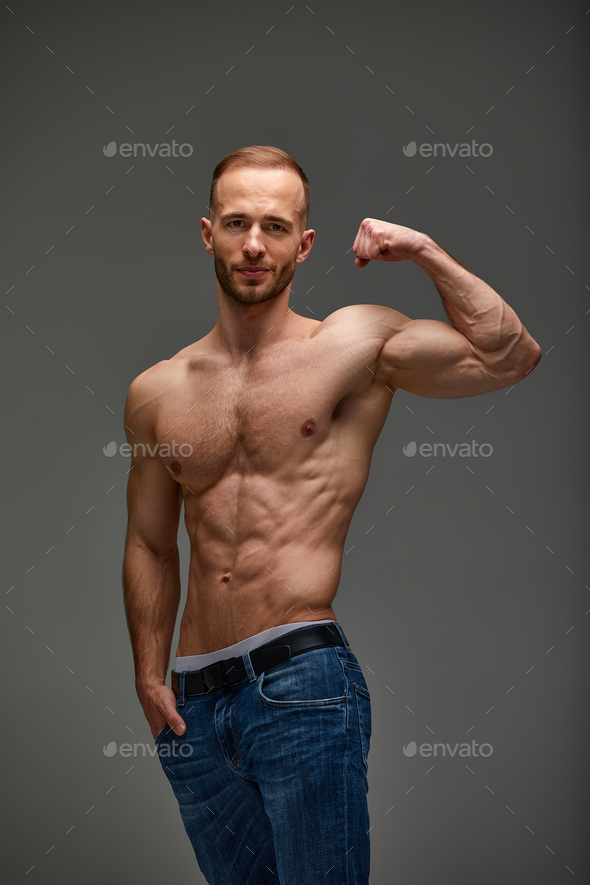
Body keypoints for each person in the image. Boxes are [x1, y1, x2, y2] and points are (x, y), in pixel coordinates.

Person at [122, 145, 541, 884]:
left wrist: (424, 251)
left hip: (300, 686)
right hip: (192, 707)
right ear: (208, 233)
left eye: (276, 227)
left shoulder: (353, 345)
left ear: (305, 244)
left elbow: (510, 354)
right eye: (238, 223)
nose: (255, 244)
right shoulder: (157, 390)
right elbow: (150, 543)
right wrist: (148, 678)